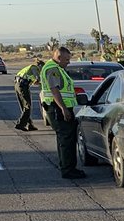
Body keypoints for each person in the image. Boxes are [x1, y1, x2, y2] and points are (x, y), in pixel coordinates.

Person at [39, 47, 85, 179]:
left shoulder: (57, 68)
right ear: (58, 58)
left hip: (59, 108)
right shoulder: (52, 69)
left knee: (64, 139)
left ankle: (66, 166)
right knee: (67, 139)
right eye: (66, 60)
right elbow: (55, 90)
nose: (68, 62)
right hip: (57, 109)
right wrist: (64, 109)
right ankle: (68, 170)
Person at [14, 56, 43, 130]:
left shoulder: (29, 68)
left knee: (25, 106)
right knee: (27, 106)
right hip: (22, 85)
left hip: (19, 85)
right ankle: (20, 124)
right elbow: (38, 79)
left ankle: (30, 125)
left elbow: (34, 81)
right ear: (40, 66)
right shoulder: (35, 68)